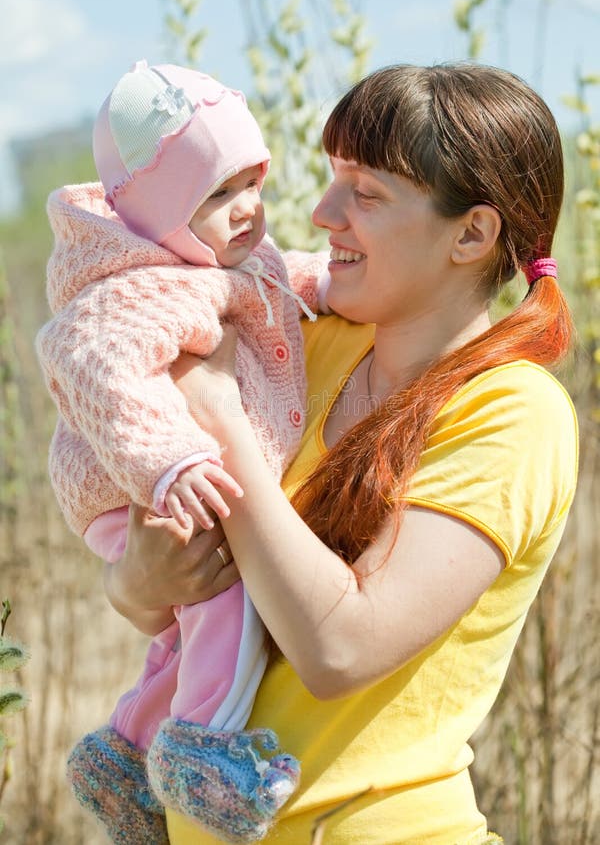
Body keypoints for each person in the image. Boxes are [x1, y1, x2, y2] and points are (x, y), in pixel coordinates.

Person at [109, 62, 579, 845]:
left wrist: (221, 411)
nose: (324, 215)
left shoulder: (513, 413)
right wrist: (133, 583)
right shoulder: (302, 347)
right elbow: (185, 595)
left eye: (367, 195)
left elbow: (338, 647)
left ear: (472, 233)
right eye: (333, 183)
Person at [36, 61, 331, 844]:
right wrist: (167, 460)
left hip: (168, 478)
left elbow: (277, 276)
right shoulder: (139, 287)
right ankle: (209, 751)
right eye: (218, 196)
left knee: (188, 626)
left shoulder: (210, 257)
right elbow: (92, 359)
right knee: (230, 604)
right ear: (161, 214)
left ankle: (129, 751)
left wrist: (331, 283)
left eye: (252, 182)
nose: (249, 213)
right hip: (137, 482)